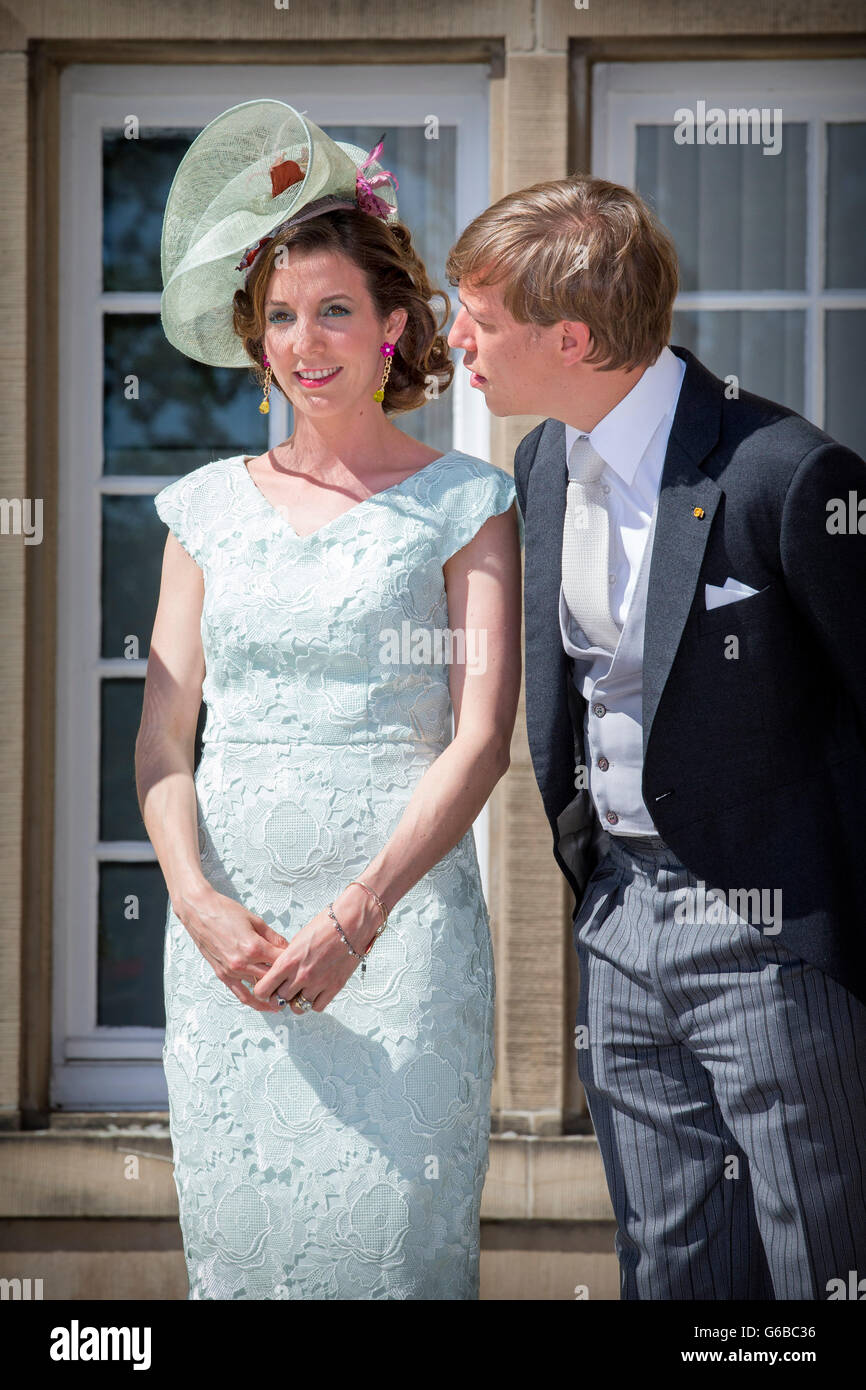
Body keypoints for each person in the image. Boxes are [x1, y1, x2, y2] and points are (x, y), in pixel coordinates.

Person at [445, 173, 866, 1300]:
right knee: (670, 1269)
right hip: (618, 922)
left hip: (771, 937)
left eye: (478, 322)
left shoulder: (783, 474)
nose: (455, 344)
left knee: (816, 1264)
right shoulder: (540, 461)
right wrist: (596, 877)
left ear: (569, 337)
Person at [136, 99, 524, 1300]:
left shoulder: (468, 500)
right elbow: (160, 734)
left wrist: (359, 916)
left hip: (398, 945)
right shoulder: (202, 507)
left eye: (335, 312)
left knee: (392, 1262)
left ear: (392, 325)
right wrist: (195, 901)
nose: (306, 342)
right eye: (282, 317)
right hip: (227, 956)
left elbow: (480, 739)